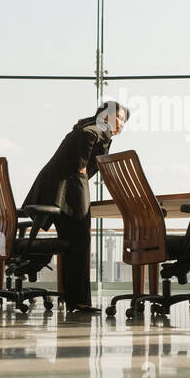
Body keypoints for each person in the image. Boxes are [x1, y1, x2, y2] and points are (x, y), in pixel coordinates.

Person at [23, 101, 129, 314]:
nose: (122, 125)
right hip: (67, 187)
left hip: (57, 187)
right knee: (80, 241)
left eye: (124, 121)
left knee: (73, 242)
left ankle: (69, 293)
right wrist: (82, 177)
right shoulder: (93, 132)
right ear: (106, 116)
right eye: (119, 118)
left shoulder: (89, 130)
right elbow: (82, 165)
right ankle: (78, 300)